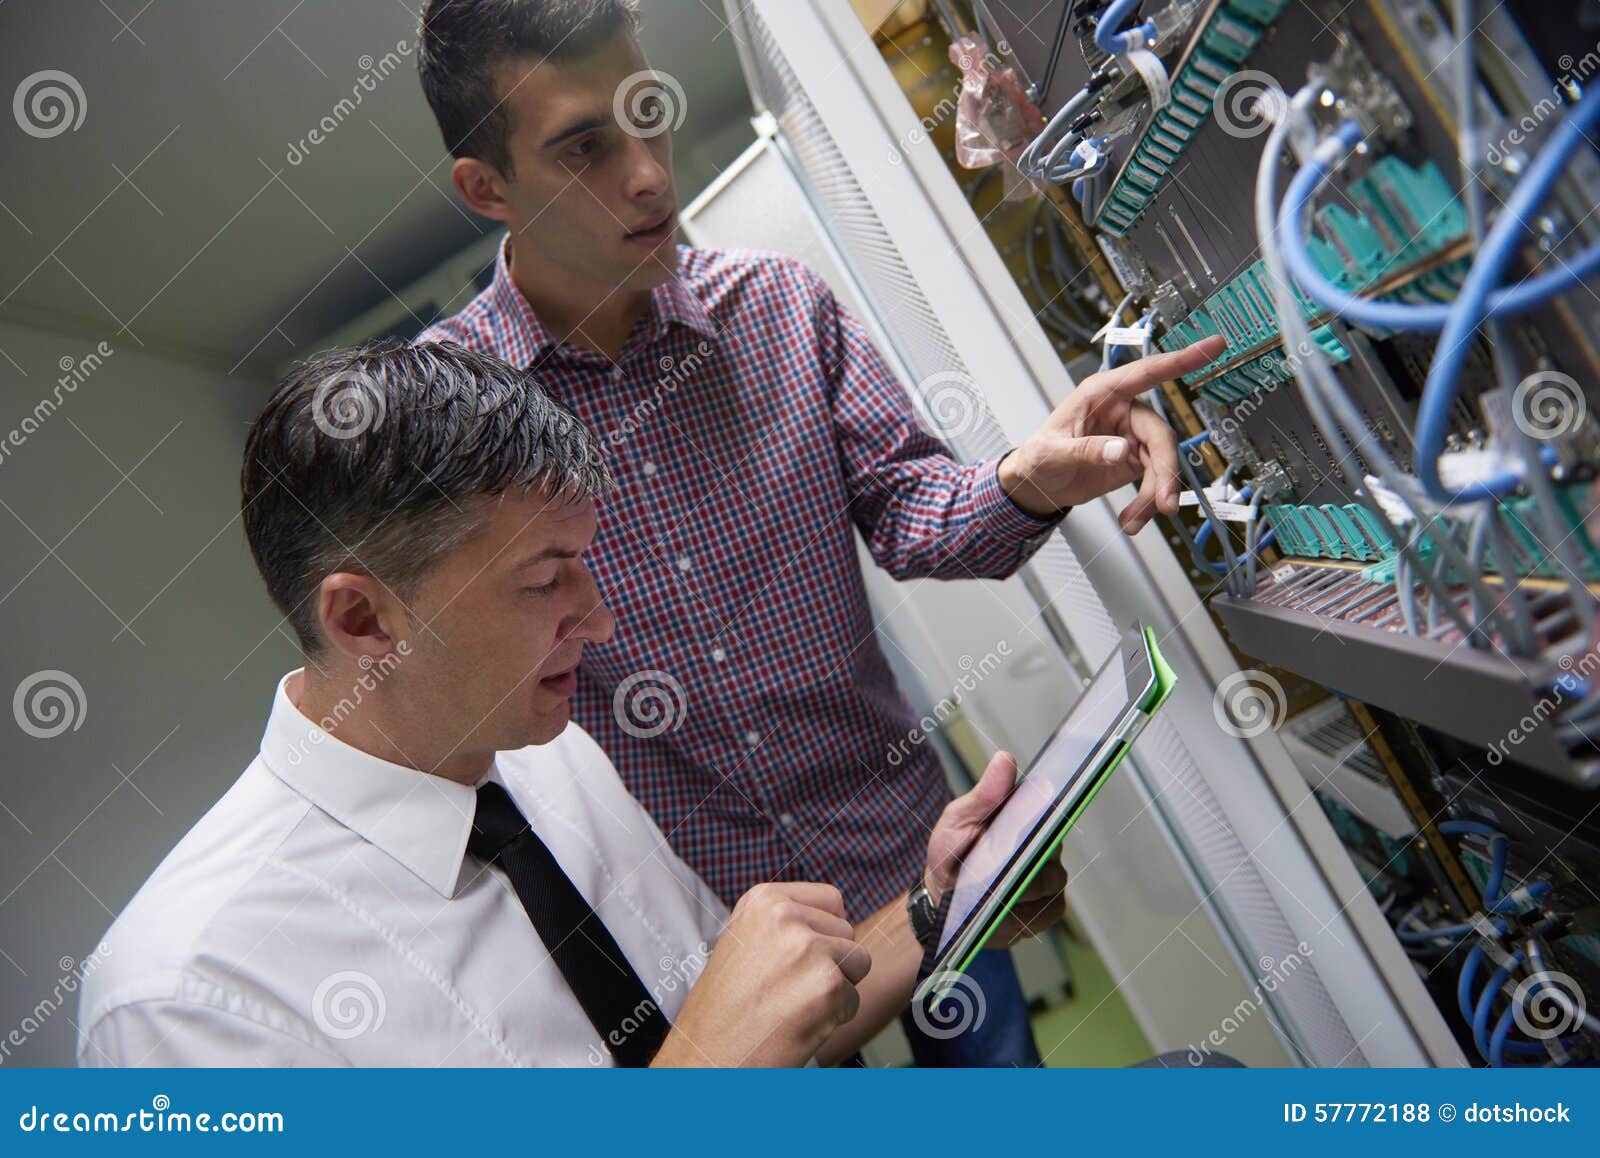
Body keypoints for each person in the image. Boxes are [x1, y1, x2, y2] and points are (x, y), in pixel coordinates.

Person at [410, 0, 1224, 1065]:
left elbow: (913, 516)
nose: (648, 174)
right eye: (583, 148)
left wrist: (1029, 478)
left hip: (913, 870)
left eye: (644, 116)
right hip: (707, 961)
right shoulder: (448, 425)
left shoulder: (783, 311)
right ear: (487, 188)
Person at [76, 341, 1067, 1068]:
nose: (596, 623)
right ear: (365, 619)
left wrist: (943, 910)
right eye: (545, 581)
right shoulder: (188, 1002)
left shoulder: (548, 751)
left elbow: (755, 1024)